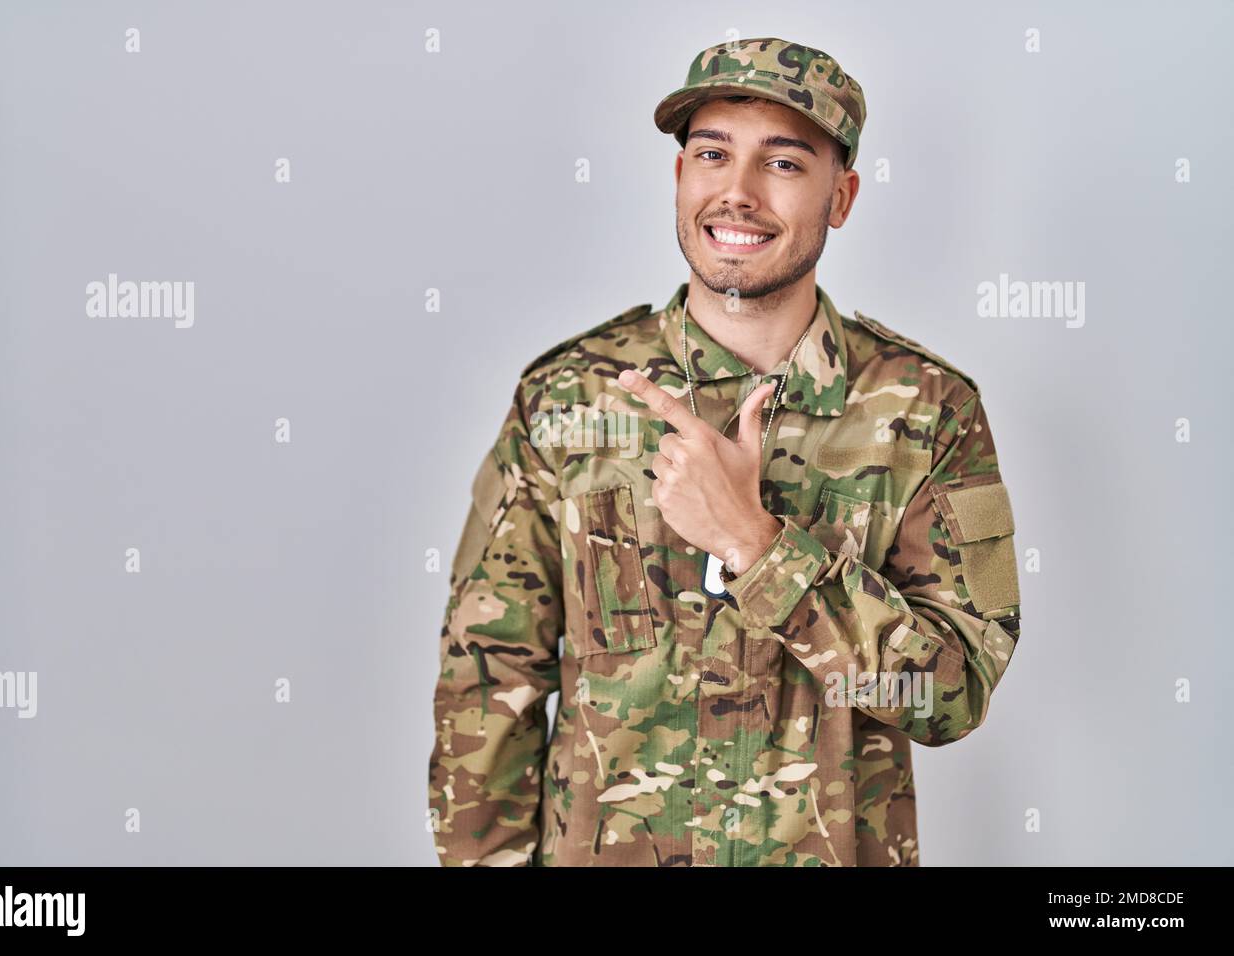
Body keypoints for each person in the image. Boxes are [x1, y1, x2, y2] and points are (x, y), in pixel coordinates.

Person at [427, 37, 1021, 867]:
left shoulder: (930, 412)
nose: (736, 194)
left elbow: (949, 696)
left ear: (840, 197)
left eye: (782, 163)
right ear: (680, 179)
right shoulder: (567, 400)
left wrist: (759, 546)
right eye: (712, 154)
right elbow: (487, 686)